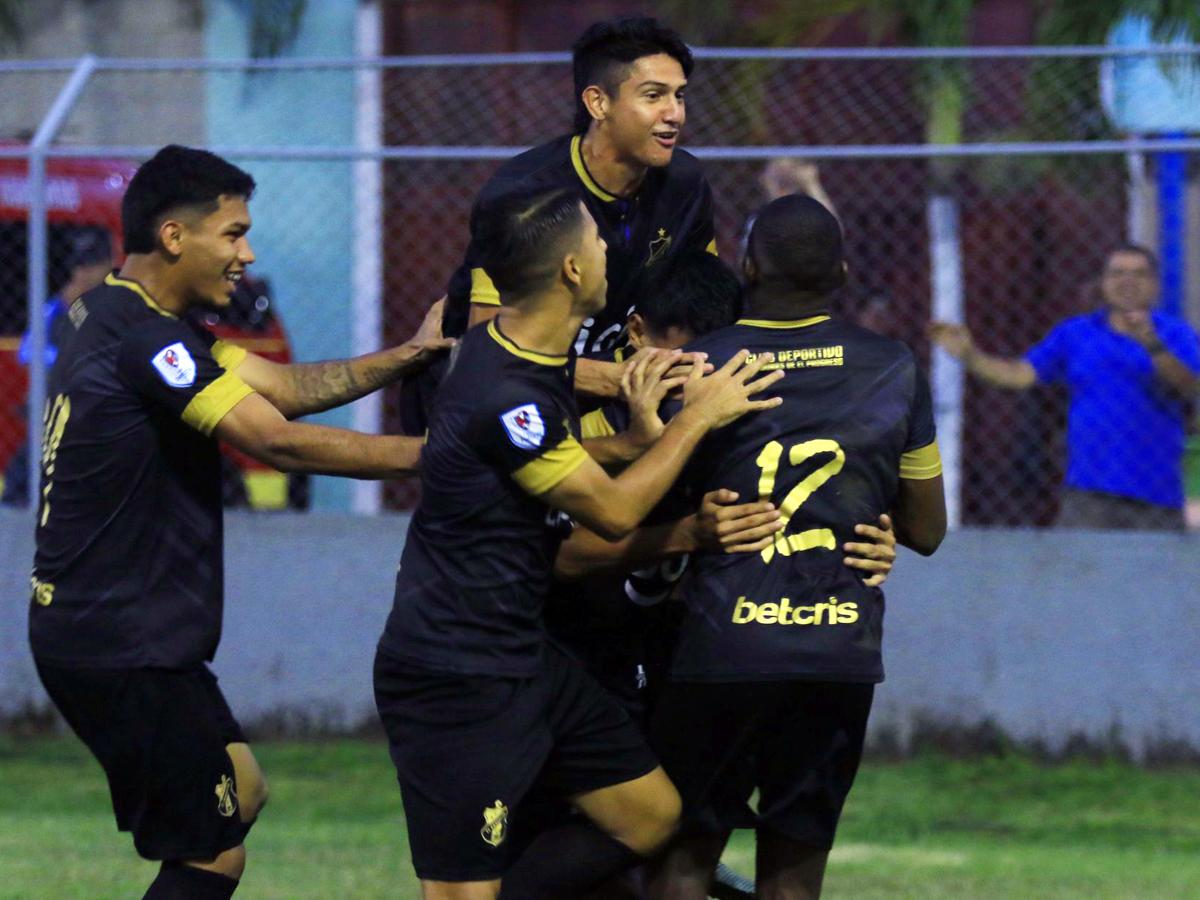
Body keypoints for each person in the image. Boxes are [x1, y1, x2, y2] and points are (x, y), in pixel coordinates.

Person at [28, 145, 447, 900]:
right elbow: (275, 440)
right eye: (233, 234)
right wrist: (444, 457)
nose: (246, 255)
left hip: (115, 631)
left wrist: (408, 357)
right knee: (212, 854)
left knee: (240, 788)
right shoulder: (147, 339)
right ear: (174, 236)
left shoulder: (121, 312)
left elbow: (281, 388)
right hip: (120, 639)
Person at [373, 184, 783, 900]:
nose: (607, 254)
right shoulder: (509, 394)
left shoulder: (518, 352)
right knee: (461, 891)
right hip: (457, 670)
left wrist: (635, 440)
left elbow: (552, 460)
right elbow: (615, 515)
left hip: (523, 654)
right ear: (570, 270)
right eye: (597, 242)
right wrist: (695, 419)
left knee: (649, 816)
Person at [644, 195, 947, 900]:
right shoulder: (893, 365)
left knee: (684, 861)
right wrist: (869, 520)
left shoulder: (700, 365)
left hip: (723, 645)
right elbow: (928, 529)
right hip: (836, 648)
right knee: (792, 880)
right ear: (842, 273)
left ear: (747, 268)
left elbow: (651, 503)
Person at [400, 16, 716, 435]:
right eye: (654, 95)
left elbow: (707, 304)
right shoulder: (524, 193)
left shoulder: (686, 184)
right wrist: (621, 378)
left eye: (679, 96)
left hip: (601, 397)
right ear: (598, 103)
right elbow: (491, 354)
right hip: (484, 405)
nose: (674, 113)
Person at [930, 244, 1200, 530]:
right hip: (1089, 491)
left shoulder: (1175, 333)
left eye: (1139, 274)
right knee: (1080, 558)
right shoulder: (1076, 333)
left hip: (1157, 494)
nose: (1127, 282)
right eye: (1117, 273)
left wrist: (1152, 344)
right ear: (1103, 283)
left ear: (1155, 284)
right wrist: (970, 357)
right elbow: (1021, 375)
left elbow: (1189, 385)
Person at [2, 230, 114, 506]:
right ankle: (18, 501)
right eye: (79, 266)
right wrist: (67, 310)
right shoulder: (60, 306)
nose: (83, 274)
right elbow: (27, 352)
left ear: (109, 264)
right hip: (61, 399)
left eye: (92, 265)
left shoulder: (118, 300)